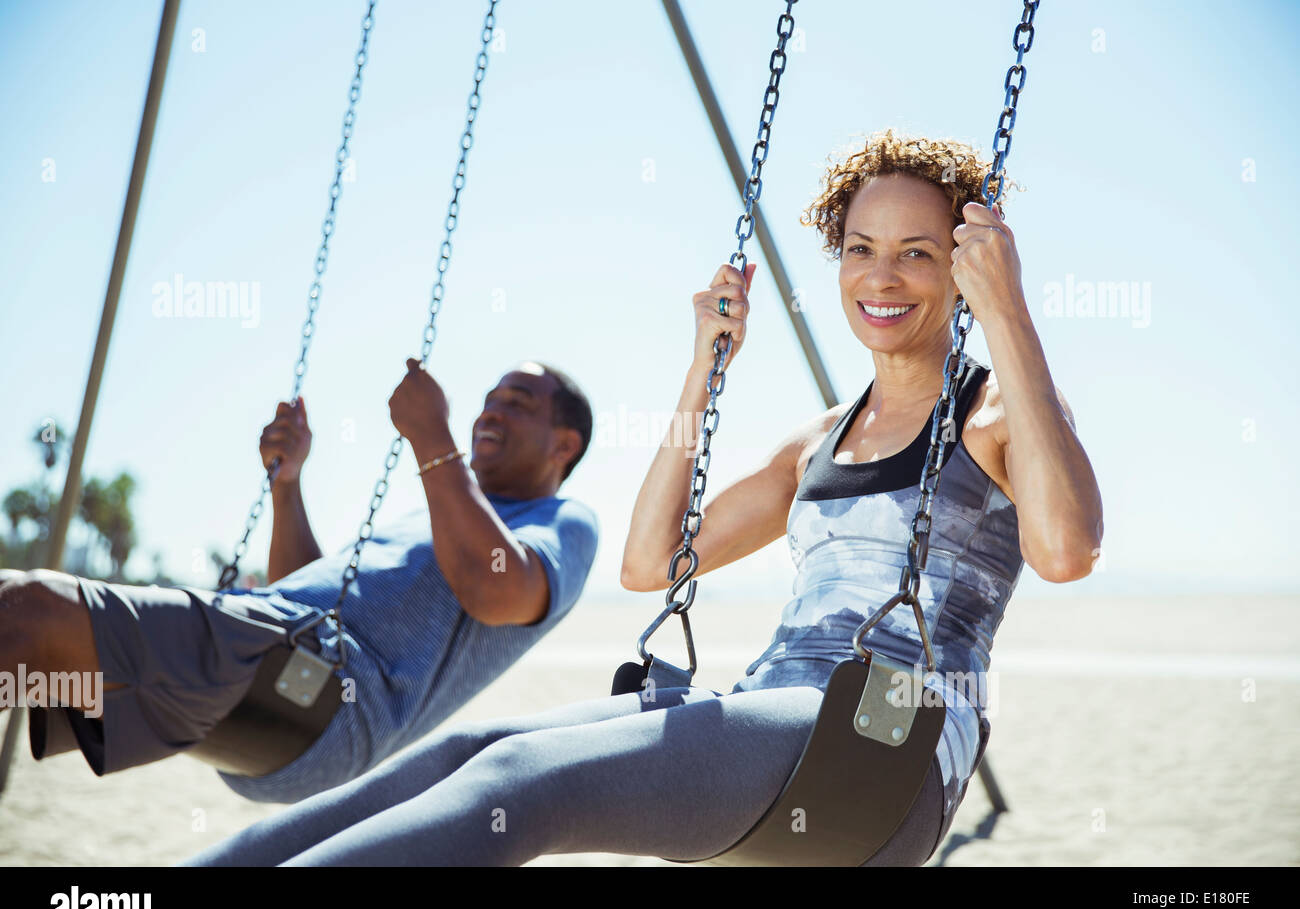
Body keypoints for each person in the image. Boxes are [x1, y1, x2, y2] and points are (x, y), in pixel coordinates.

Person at [181, 128, 1103, 866]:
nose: (882, 277)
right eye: (861, 249)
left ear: (961, 268)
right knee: (467, 754)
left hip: (884, 749)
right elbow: (648, 562)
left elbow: (1066, 552)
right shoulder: (819, 440)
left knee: (520, 782)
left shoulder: (995, 411)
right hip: (773, 723)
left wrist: (1011, 309)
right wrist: (704, 371)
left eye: (917, 252)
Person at [0, 359, 600, 803]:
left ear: (564, 445)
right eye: (489, 398)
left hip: (331, 700)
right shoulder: (443, 511)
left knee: (32, 609)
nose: (489, 411)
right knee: (35, 659)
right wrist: (288, 487)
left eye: (517, 402)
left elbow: (497, 592)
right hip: (286, 664)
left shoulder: (564, 521)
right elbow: (302, 592)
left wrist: (433, 440)